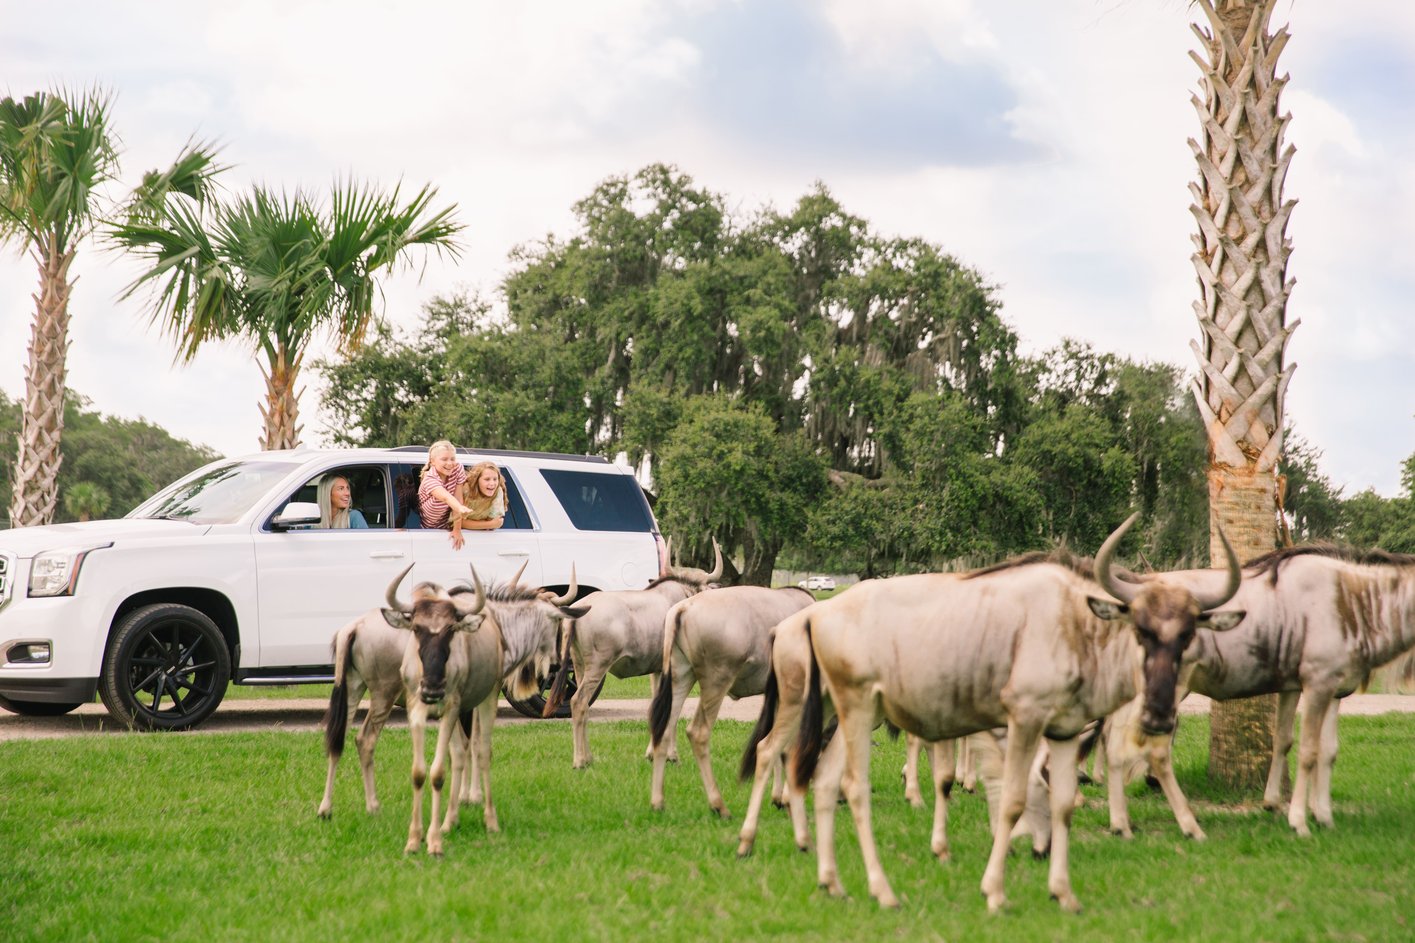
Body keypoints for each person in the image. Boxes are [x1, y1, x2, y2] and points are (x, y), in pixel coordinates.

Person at [417, 440, 471, 545]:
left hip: (445, 528)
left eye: (452, 459)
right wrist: (459, 508)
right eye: (444, 459)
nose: (450, 463)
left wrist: (457, 529)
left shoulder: (457, 468)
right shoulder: (430, 479)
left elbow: (458, 497)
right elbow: (446, 497)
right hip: (425, 529)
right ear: (432, 461)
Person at [451, 460, 506, 548]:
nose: (492, 483)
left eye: (495, 479)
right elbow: (457, 522)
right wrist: (489, 524)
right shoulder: (466, 490)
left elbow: (497, 521)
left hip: (481, 542)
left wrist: (490, 524)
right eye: (487, 479)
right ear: (477, 480)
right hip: (459, 539)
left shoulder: (497, 491)